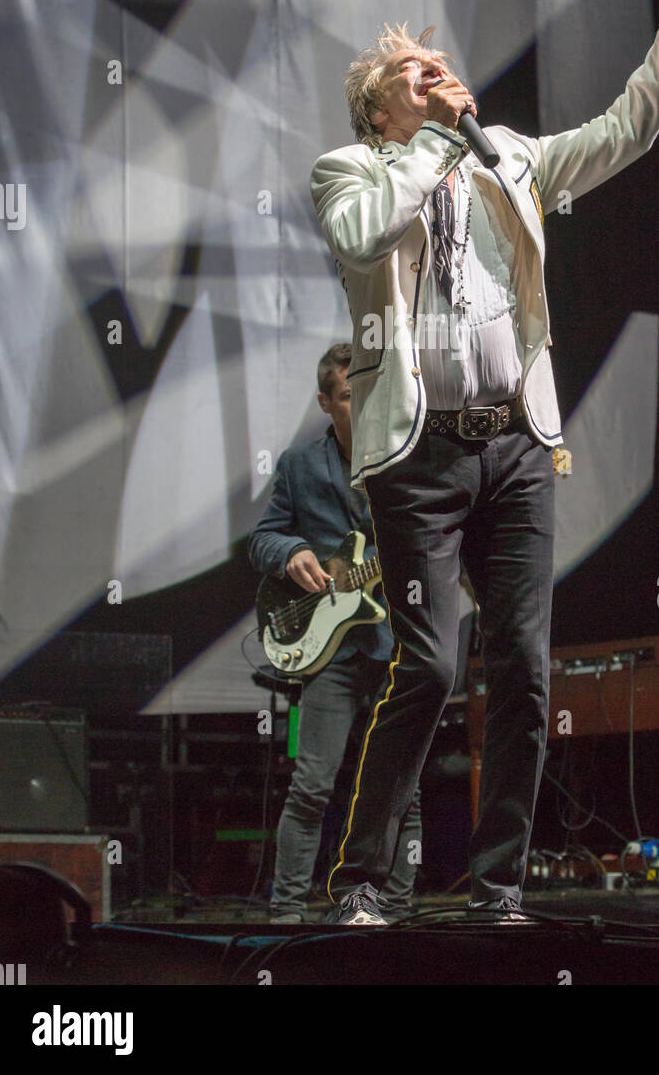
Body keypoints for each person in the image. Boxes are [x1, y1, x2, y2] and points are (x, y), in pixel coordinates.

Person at [310, 0, 659, 924]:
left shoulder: (505, 159)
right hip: (417, 457)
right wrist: (434, 136)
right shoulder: (352, 172)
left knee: (522, 668)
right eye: (414, 76)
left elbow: (621, 132)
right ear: (377, 112)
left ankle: (498, 886)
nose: (438, 78)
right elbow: (363, 235)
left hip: (512, 445)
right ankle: (364, 880)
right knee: (429, 666)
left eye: (441, 68)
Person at [248, 342, 421, 923]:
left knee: (404, 791)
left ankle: (395, 913)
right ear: (326, 402)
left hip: (398, 647)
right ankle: (287, 914)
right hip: (330, 653)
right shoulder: (300, 464)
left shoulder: (409, 458)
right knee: (312, 787)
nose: (362, 403)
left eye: (370, 391)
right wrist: (291, 551)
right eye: (349, 395)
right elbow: (262, 538)